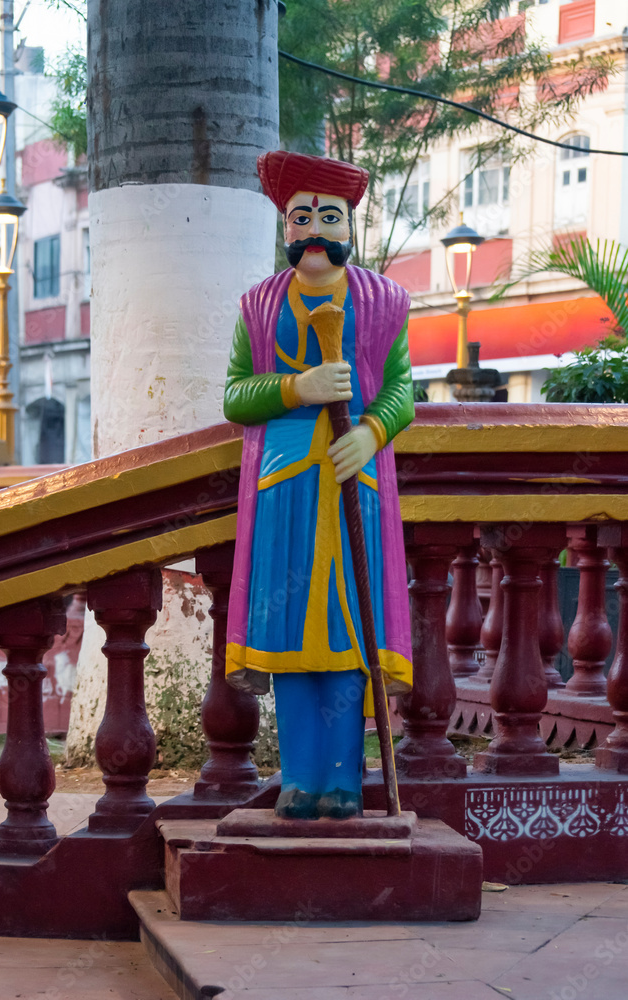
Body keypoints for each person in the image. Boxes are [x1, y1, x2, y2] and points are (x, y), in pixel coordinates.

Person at [224, 150, 414, 819]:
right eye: (300, 216)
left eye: (326, 216)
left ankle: (344, 780)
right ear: (285, 228)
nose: (313, 228)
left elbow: (401, 391)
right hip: (286, 486)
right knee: (287, 642)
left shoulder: (384, 302)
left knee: (345, 637)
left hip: (353, 478)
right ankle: (299, 777)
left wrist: (371, 431)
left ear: (348, 226)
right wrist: (294, 387)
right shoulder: (256, 306)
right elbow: (235, 398)